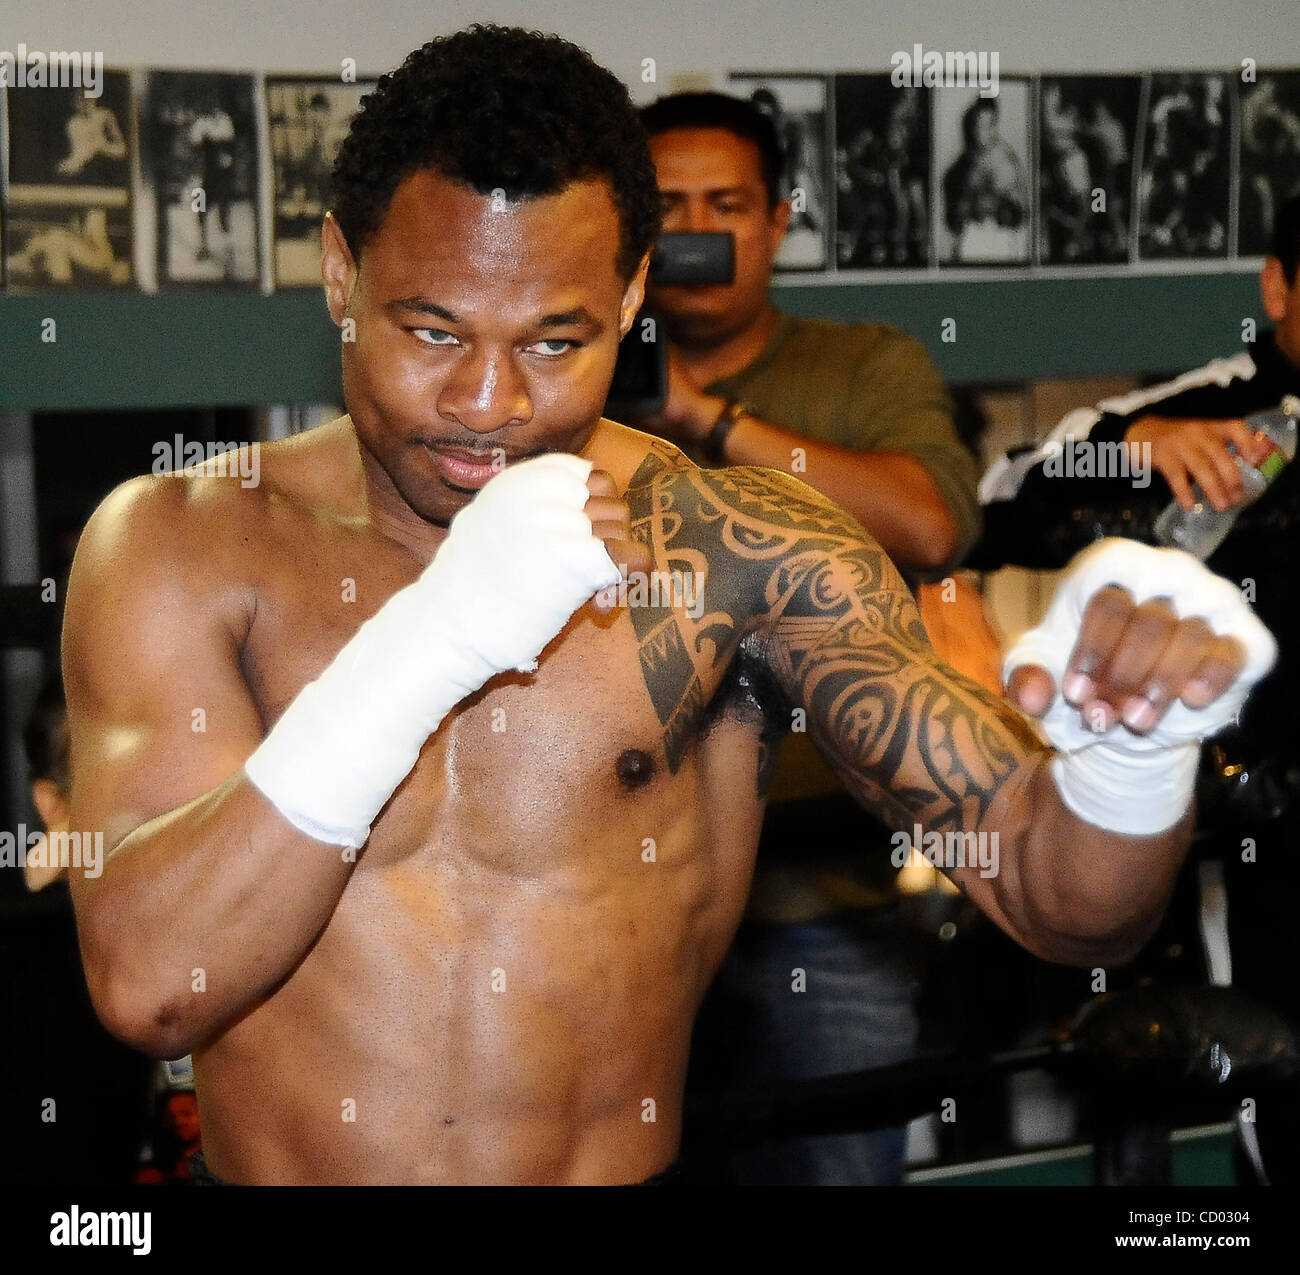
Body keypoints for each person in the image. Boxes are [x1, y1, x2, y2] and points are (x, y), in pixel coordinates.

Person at [62, 25, 1274, 1187]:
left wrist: (1134, 748)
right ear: (342, 270)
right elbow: (153, 981)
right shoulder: (182, 543)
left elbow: (1069, 910)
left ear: (633, 291)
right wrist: (432, 642)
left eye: (552, 342)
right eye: (431, 331)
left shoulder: (739, 551)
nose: (484, 403)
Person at [631, 90, 981, 1184]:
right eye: (667, 210)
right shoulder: (562, 372)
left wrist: (700, 415)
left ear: (779, 218)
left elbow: (928, 521)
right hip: (612, 899)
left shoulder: (860, 366)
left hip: (820, 901)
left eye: (724, 204)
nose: (699, 234)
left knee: (835, 1171)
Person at [973, 193, 1300, 1183]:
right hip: (1267, 850)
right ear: (1277, 287)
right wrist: (1128, 453)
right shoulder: (1211, 407)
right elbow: (986, 507)